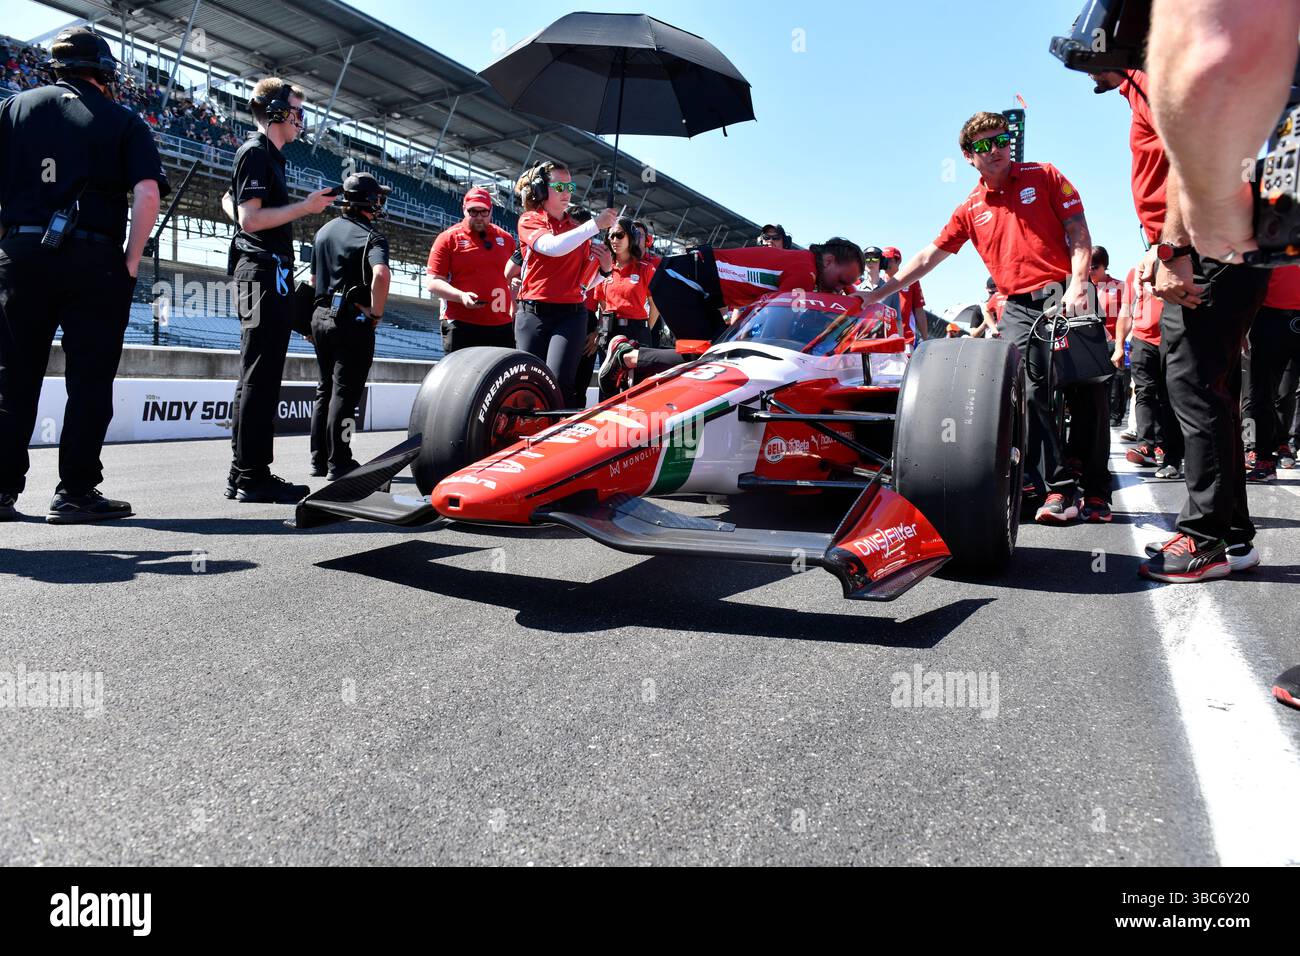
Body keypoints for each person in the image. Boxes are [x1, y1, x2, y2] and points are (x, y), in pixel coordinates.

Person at [858, 112, 1110, 525]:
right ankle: (1058, 491)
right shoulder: (970, 209)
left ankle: (1098, 492)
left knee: (1090, 390)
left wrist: (1080, 283)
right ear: (967, 156)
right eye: (982, 145)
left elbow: (1079, 232)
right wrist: (879, 294)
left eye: (1001, 140)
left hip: (1064, 290)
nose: (994, 150)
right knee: (1025, 395)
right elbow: (925, 259)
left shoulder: (1044, 175)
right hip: (1015, 308)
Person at [1088, 58, 1269, 581]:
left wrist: (1172, 250)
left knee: (1193, 389)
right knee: (1211, 392)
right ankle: (1231, 536)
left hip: (1210, 248)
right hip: (1221, 245)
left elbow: (1192, 157)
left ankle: (1204, 539)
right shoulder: (1148, 83)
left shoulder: (1154, 76)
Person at [0, 27, 167, 523]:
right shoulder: (124, 120)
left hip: (20, 253)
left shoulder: (12, 108)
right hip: (93, 257)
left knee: (12, 377)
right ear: (105, 73)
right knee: (89, 380)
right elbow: (148, 196)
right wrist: (131, 260)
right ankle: (74, 491)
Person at [224, 77, 335, 503]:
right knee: (260, 373)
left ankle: (245, 472)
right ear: (275, 112)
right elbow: (250, 220)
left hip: (271, 273)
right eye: (296, 110)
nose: (301, 119)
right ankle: (251, 474)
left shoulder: (267, 156)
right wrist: (306, 208)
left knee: (261, 372)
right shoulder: (255, 152)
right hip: (260, 272)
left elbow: (235, 207)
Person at [598, 238, 867, 396]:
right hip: (678, 282)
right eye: (843, 281)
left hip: (688, 285)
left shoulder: (806, 265)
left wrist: (853, 292)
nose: (841, 289)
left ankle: (631, 359)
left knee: (718, 354)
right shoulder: (804, 271)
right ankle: (626, 356)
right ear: (829, 261)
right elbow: (784, 330)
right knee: (709, 357)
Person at [308, 173, 391, 480]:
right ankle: (339, 461)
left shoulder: (324, 232)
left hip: (320, 316)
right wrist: (376, 314)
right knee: (345, 393)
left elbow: (313, 282)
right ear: (369, 201)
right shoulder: (372, 236)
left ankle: (318, 459)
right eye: (377, 197)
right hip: (351, 319)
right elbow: (380, 275)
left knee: (324, 389)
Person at [513, 161, 616, 406]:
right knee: (526, 383)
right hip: (532, 314)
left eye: (570, 185)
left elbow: (584, 285)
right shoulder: (530, 219)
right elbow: (552, 247)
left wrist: (604, 270)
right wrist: (594, 226)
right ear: (540, 189)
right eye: (559, 185)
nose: (567, 191)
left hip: (571, 315)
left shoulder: (576, 229)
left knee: (560, 383)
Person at [425, 185, 516, 352]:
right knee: (460, 376)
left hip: (501, 325)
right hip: (461, 324)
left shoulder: (506, 239)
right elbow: (433, 281)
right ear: (464, 210)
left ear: (491, 210)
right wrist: (461, 296)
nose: (479, 217)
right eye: (473, 211)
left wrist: (515, 307)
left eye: (484, 212)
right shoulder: (447, 239)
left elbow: (516, 278)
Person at [1244, 265, 1300, 482]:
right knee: (1258, 395)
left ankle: (1283, 443)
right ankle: (1262, 458)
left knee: (1286, 393)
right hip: (1267, 316)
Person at [1089, 246, 1129, 427]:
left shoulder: (1119, 286)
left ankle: (1114, 414)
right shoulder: (1082, 288)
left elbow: (1128, 314)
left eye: (1095, 266)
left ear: (1105, 266)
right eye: (1088, 266)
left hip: (1113, 341)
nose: (1091, 270)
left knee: (1114, 381)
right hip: (1090, 343)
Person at [882, 246, 927, 345]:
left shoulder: (911, 281)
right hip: (882, 338)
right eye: (882, 259)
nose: (884, 263)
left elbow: (919, 311)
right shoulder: (878, 282)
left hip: (906, 339)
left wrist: (926, 339)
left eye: (888, 259)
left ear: (898, 261)